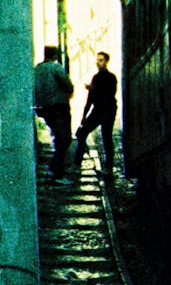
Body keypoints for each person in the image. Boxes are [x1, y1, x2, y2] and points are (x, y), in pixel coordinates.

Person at [73, 51, 118, 175]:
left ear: (106, 61)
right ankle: (77, 163)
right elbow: (90, 98)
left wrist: (94, 89)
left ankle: (108, 167)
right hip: (98, 110)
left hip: (108, 110)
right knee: (82, 133)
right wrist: (84, 115)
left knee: (106, 137)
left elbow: (109, 94)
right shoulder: (96, 77)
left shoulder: (111, 77)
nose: (98, 63)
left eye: (101, 60)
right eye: (97, 60)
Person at [33, 45, 74, 184]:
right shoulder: (56, 68)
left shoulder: (36, 69)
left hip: (43, 108)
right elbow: (68, 85)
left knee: (58, 137)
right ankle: (56, 173)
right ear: (55, 55)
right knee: (64, 138)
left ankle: (55, 170)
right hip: (58, 106)